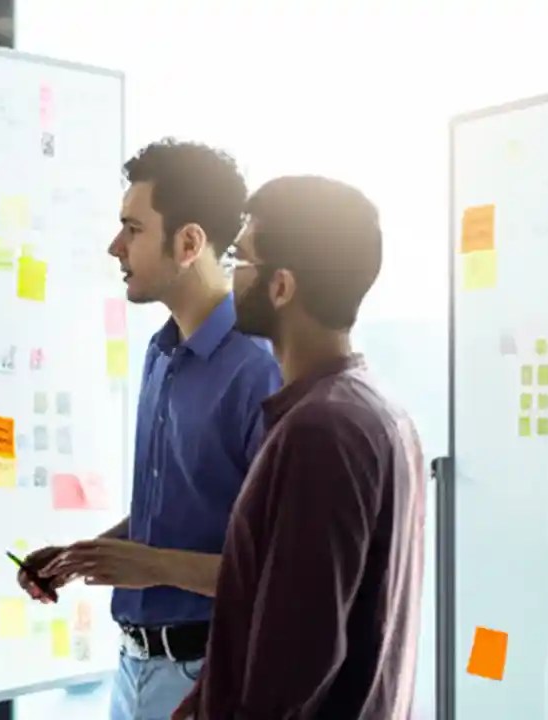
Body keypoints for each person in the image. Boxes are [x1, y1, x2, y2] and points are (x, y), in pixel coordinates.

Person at [22, 139, 282, 719]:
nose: (116, 247)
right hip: (132, 669)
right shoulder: (160, 354)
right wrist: (86, 554)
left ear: (189, 243)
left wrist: (151, 565)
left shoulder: (258, 369)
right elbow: (171, 516)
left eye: (132, 229)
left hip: (208, 673)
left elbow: (275, 570)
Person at [175, 176, 426, 719]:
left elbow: (295, 659)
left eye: (240, 258)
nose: (228, 274)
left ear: (281, 286)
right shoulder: (377, 411)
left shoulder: (322, 432)